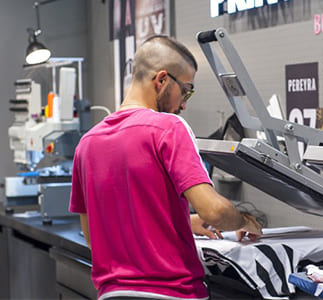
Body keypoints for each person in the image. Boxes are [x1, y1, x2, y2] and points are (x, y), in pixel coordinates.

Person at [69, 35, 263, 300]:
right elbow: (215, 211)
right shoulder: (168, 128)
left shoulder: (86, 144)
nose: (184, 103)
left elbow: (94, 237)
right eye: (186, 90)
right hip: (174, 293)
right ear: (161, 80)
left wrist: (185, 222)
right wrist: (244, 221)